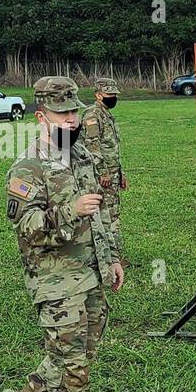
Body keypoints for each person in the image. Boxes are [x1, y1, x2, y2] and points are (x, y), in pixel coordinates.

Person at [0, 76, 124, 392]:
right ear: (41, 116)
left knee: (81, 351)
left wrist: (113, 258)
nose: (71, 119)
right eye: (61, 113)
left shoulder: (82, 155)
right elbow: (27, 228)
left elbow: (101, 216)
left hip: (91, 271)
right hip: (55, 279)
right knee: (73, 359)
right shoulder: (28, 166)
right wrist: (70, 210)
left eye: (73, 111)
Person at [77, 77, 129, 266]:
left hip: (113, 173)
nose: (113, 98)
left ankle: (113, 255)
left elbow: (112, 148)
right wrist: (103, 173)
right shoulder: (93, 115)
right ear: (98, 95)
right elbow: (93, 146)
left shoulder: (106, 114)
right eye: (109, 95)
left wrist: (121, 174)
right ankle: (113, 258)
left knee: (112, 213)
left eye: (114, 95)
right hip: (102, 175)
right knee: (108, 216)